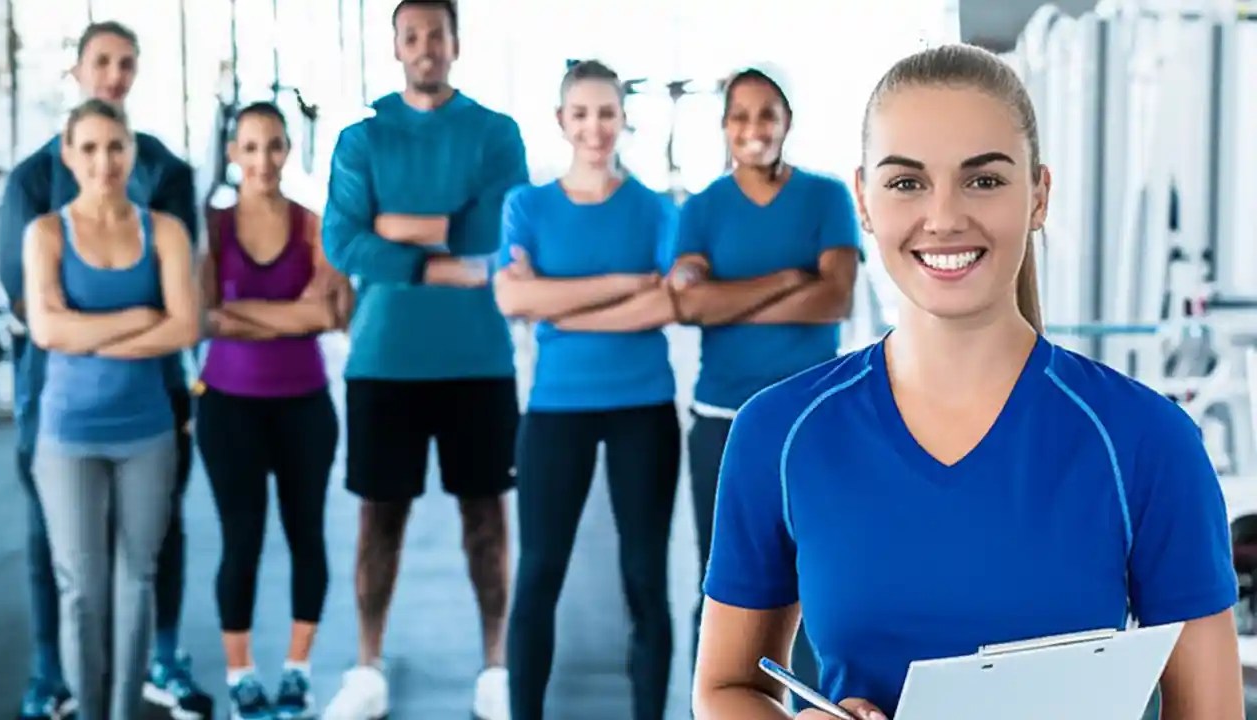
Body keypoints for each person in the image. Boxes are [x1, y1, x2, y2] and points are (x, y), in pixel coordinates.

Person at [691, 44, 1244, 720]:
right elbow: (725, 689)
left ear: (1038, 195)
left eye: (983, 180)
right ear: (863, 199)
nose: (945, 216)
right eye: (906, 182)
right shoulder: (778, 434)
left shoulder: (1146, 442)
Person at [0, 21, 212, 720]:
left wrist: (93, 332)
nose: (114, 73)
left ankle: (158, 666)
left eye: (126, 63)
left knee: (145, 560)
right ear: (79, 70)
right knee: (65, 564)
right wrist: (141, 322)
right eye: (102, 62)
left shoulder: (166, 177)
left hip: (151, 406)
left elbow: (184, 317)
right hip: (56, 406)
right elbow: (38, 316)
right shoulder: (34, 189)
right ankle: (50, 677)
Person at [319, 2, 528, 719]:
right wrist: (442, 256)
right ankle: (367, 665)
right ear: (397, 46)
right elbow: (343, 244)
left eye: (437, 34)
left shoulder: (496, 134)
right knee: (380, 522)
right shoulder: (361, 138)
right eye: (413, 36)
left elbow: (493, 231)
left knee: (486, 521)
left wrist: (395, 228)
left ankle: (498, 667)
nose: (426, 47)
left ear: (455, 44)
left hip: (477, 359)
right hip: (383, 361)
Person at [494, 60, 681, 720]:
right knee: (539, 572)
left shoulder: (656, 208)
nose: (595, 127)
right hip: (556, 408)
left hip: (643, 405)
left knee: (644, 579)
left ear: (624, 118)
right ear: (561, 121)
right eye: (582, 114)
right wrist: (625, 283)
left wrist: (559, 308)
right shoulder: (528, 205)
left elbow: (667, 305)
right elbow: (511, 295)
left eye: (607, 112)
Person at [667, 67, 861, 688]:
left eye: (767, 114)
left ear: (787, 123)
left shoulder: (826, 197)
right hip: (721, 420)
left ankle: (813, 705)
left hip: (817, 422)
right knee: (724, 576)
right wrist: (785, 279)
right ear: (725, 127)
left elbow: (835, 298)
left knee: (822, 576)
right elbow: (691, 306)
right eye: (741, 116)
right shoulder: (700, 210)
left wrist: (732, 295)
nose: (755, 128)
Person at [196, 102, 352, 720]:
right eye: (251, 147)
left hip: (304, 409)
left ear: (289, 151)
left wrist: (242, 318)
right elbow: (201, 317)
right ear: (234, 154)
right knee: (241, 540)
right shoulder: (213, 228)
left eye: (275, 146)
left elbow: (332, 316)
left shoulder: (315, 227)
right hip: (228, 411)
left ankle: (297, 671)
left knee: (306, 535)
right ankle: (241, 677)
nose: (264, 160)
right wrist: (292, 316)